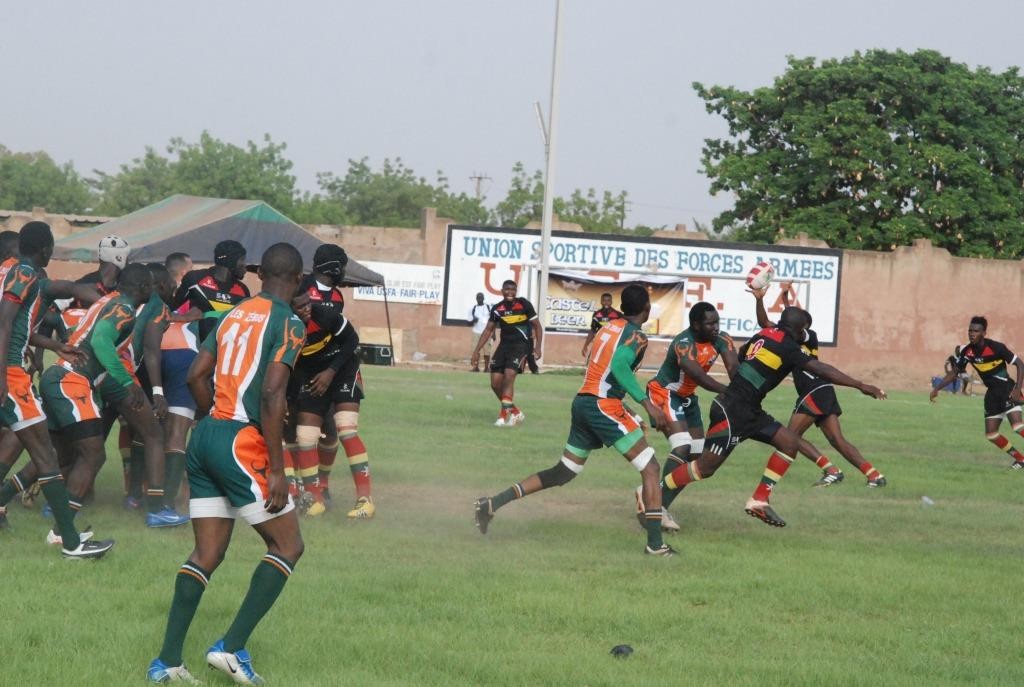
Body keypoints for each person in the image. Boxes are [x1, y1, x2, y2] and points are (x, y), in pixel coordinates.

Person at [147, 243, 307, 685]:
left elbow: (198, 376)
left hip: (208, 433)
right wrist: (277, 468)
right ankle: (231, 647)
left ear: (260, 275)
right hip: (242, 441)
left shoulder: (234, 313)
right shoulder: (289, 323)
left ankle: (167, 662)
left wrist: (212, 426)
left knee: (207, 553)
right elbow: (274, 394)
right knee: (288, 546)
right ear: (295, 278)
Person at [473, 284, 675, 556]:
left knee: (564, 471)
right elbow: (617, 368)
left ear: (621, 307)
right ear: (647, 308)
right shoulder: (636, 336)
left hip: (584, 403)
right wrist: (647, 405)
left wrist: (628, 410)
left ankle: (491, 504)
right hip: (602, 406)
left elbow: (602, 373)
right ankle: (655, 545)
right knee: (650, 468)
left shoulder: (608, 328)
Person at [660, 307, 886, 528]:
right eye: (804, 330)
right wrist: (860, 384)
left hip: (749, 409)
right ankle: (654, 495)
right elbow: (820, 368)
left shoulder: (764, 334)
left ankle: (759, 499)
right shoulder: (787, 345)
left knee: (789, 443)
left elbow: (740, 356)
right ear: (799, 330)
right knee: (704, 468)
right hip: (733, 410)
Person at [0, 221, 114, 557]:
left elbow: (19, 326)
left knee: (38, 452)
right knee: (45, 455)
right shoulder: (24, 273)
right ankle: (71, 541)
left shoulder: (14, 272)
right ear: (46, 249)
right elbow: (4, 322)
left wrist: (54, 345)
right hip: (11, 374)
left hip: (12, 370)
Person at [36, 264, 152, 524]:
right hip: (72, 380)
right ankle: (63, 528)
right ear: (144, 287)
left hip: (61, 376)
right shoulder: (125, 309)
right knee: (93, 454)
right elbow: (100, 341)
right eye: (151, 285)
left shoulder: (109, 299)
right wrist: (127, 382)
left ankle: (38, 510)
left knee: (60, 453)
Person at [752, 286, 886, 488]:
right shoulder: (791, 335)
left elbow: (794, 323)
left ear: (802, 328)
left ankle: (831, 470)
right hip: (823, 391)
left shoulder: (808, 335)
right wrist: (766, 299)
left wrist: (860, 385)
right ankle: (874, 475)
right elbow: (767, 322)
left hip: (813, 391)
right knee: (837, 440)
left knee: (789, 437)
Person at [286, 244, 375, 520]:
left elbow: (351, 341)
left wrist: (330, 372)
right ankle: (314, 500)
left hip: (343, 367)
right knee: (305, 436)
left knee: (345, 429)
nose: (303, 309)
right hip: (312, 370)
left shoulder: (328, 306)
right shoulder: (297, 296)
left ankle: (365, 500)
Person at [639, 302, 737, 531]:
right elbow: (700, 376)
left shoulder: (722, 338)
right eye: (709, 323)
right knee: (682, 445)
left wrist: (743, 389)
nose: (715, 327)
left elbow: (734, 367)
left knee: (695, 456)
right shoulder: (683, 343)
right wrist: (729, 392)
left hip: (687, 398)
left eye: (717, 322)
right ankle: (656, 505)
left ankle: (657, 501)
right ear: (695, 324)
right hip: (664, 392)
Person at [930, 316, 1024, 469]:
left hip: (1007, 390)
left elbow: (1020, 364)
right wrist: (937, 388)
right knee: (991, 434)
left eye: (976, 331)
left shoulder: (996, 347)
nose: (972, 333)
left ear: (984, 333)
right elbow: (955, 372)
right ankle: (1020, 459)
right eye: (970, 330)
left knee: (1017, 426)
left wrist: (1018, 389)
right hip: (992, 395)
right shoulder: (967, 352)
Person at [470, 280, 542, 426]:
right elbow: (488, 330)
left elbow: (537, 326)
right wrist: (476, 350)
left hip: (521, 346)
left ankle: (503, 416)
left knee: (509, 376)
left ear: (516, 291)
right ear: (502, 291)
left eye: (513, 289)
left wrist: (538, 347)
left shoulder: (524, 304)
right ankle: (515, 412)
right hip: (504, 346)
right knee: (495, 384)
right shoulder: (497, 309)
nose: (510, 292)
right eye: (507, 289)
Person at [580, 292, 622, 359]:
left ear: (611, 302)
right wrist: (586, 345)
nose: (606, 303)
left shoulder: (618, 315)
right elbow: (592, 331)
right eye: (604, 300)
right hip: (600, 343)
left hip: (612, 344)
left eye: (608, 300)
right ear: (601, 302)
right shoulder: (596, 314)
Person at [468, 292, 493, 372]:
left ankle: (486, 368)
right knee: (476, 349)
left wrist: (494, 333)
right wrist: (473, 320)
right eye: (478, 297)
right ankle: (475, 367)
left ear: (483, 298)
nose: (479, 299)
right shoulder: (473, 309)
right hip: (476, 332)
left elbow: (493, 321)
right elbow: (468, 323)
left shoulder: (488, 307)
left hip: (487, 332)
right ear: (476, 299)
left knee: (487, 351)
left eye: (481, 297)